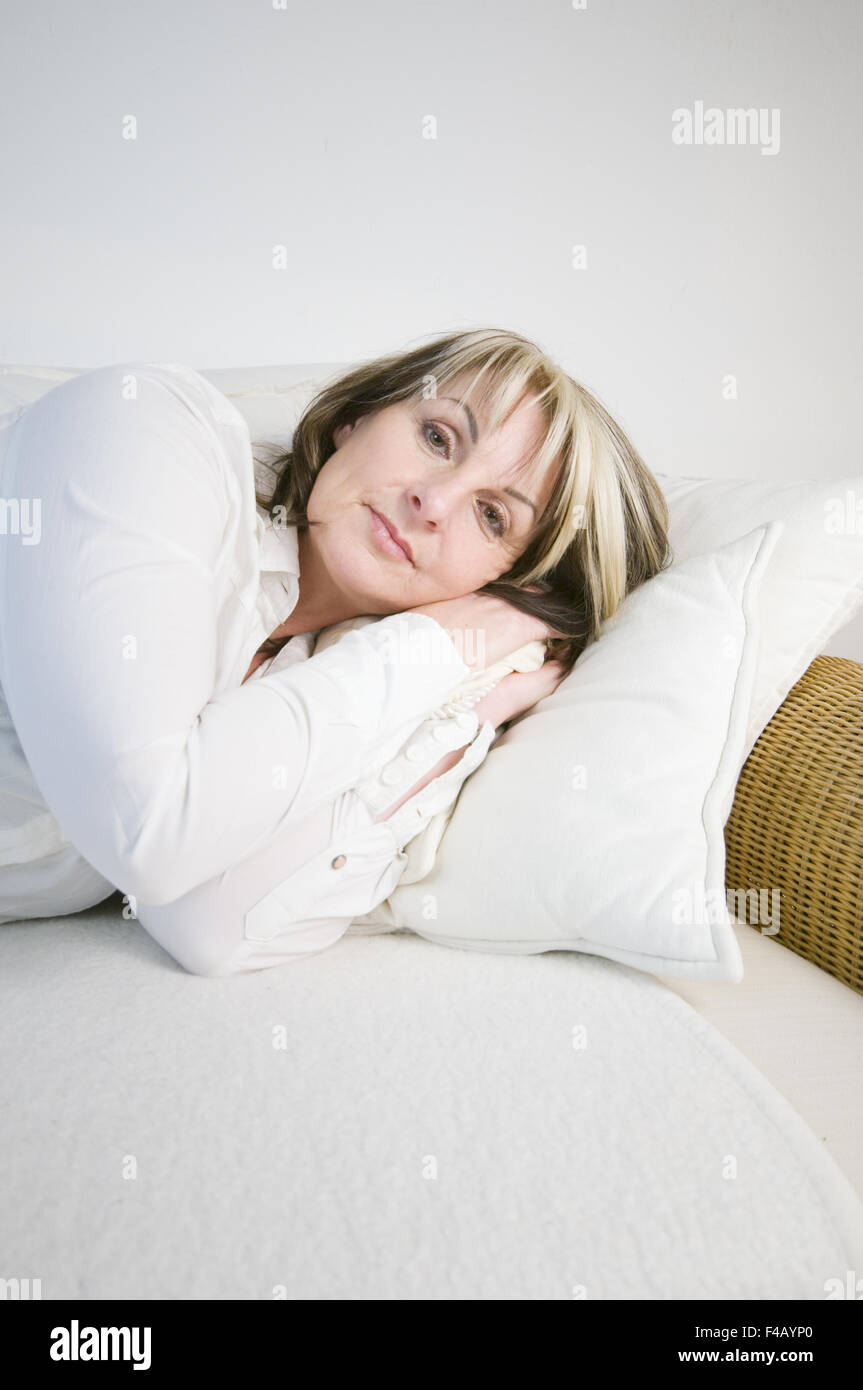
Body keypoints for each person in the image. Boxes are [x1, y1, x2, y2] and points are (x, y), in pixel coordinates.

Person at [0, 328, 671, 974]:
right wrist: (442, 642)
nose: (431, 501)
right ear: (357, 418)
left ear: (510, 587)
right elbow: (148, 836)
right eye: (437, 437)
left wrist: (471, 705)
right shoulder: (141, 430)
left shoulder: (319, 677)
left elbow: (211, 928)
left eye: (492, 515)